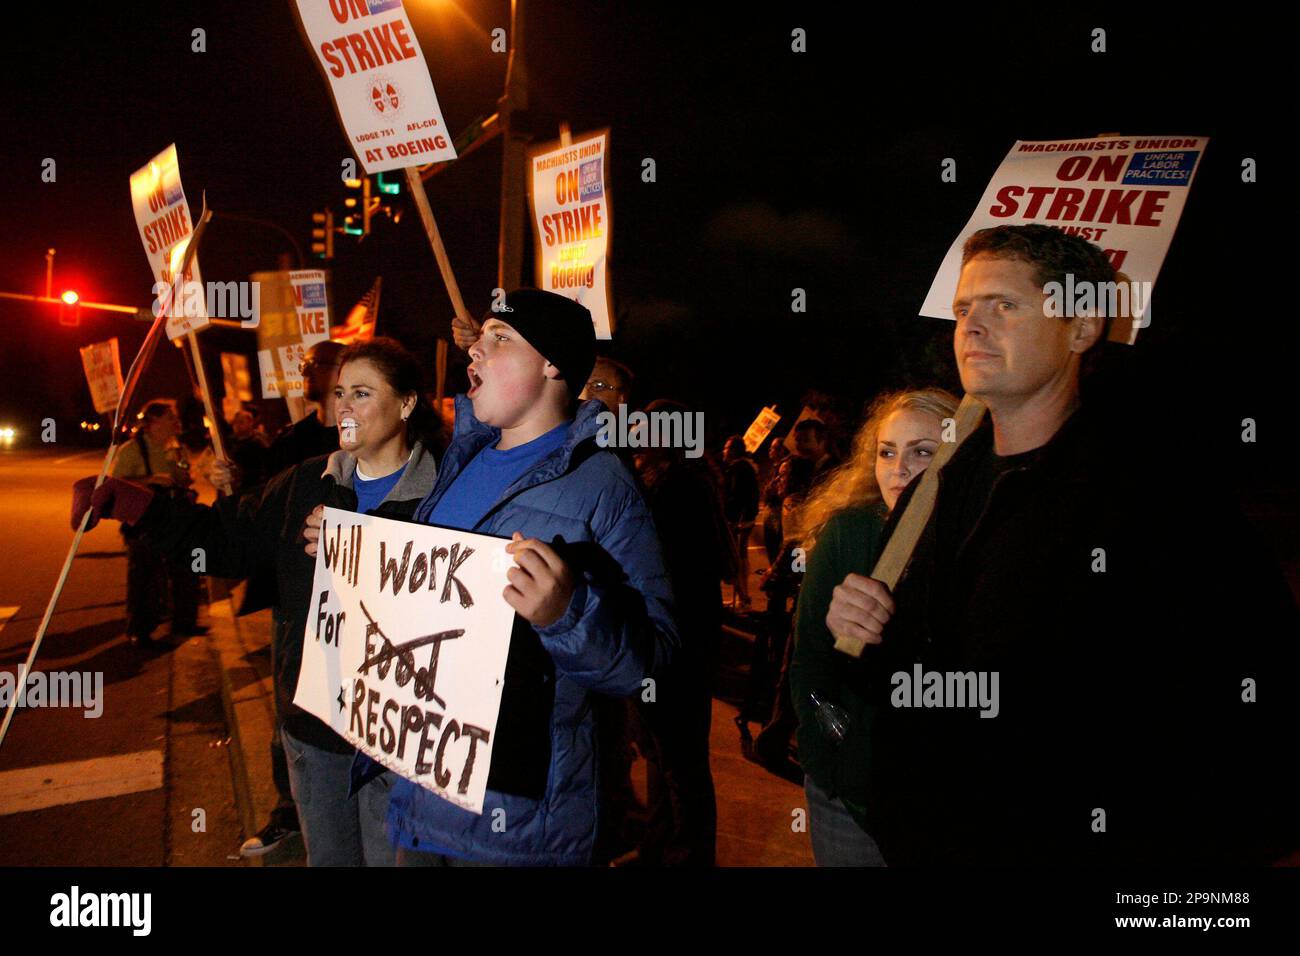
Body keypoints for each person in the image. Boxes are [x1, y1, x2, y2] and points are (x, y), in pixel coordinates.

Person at [837, 224, 1299, 864]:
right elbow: (910, 681)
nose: (971, 326)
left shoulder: (1159, 504)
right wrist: (867, 637)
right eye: (965, 308)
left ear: (1081, 329)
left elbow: (1247, 716)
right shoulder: (938, 489)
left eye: (1005, 305)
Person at [324, 288, 678, 867]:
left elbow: (655, 659)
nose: (475, 354)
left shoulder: (604, 487)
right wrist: (350, 548)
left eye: (500, 340)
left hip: (514, 828)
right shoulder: (459, 461)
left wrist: (570, 612)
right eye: (479, 340)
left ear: (552, 365)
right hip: (421, 796)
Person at [75, 338, 442, 866]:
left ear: (407, 403)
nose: (344, 406)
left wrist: (368, 549)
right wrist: (130, 503)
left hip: (404, 741)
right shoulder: (303, 485)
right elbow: (220, 542)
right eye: (340, 392)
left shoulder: (448, 488)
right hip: (317, 727)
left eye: (362, 393)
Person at [787, 387, 958, 866]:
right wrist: (834, 751)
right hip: (848, 799)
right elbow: (811, 663)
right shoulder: (849, 533)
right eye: (887, 452)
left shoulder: (981, 542)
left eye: (922, 451)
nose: (898, 469)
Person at [619, 399, 733, 866]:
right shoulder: (671, 481)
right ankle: (658, 845)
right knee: (662, 753)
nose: (639, 435)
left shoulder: (679, 487)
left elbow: (672, 567)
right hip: (674, 638)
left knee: (681, 758)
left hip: (679, 643)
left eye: (649, 428)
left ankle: (688, 854)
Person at [110, 399, 203, 647]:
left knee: (186, 569)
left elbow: (184, 480)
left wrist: (183, 475)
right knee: (145, 575)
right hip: (144, 520)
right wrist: (151, 479)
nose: (176, 422)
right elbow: (116, 485)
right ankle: (140, 630)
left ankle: (185, 622)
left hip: (174, 516)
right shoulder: (131, 450)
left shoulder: (174, 448)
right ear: (153, 422)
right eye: (170, 418)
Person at [265, 340, 343, 479]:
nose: (305, 373)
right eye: (304, 365)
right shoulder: (291, 440)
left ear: (345, 370)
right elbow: (267, 491)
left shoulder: (366, 438)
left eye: (314, 364)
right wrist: (234, 478)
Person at [721, 435, 759, 608]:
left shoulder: (739, 468)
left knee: (736, 559)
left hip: (738, 522)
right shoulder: (743, 467)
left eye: (727, 448)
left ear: (735, 450)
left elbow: (737, 496)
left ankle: (744, 598)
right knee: (740, 557)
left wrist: (735, 520)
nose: (724, 451)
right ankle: (743, 597)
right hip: (743, 520)